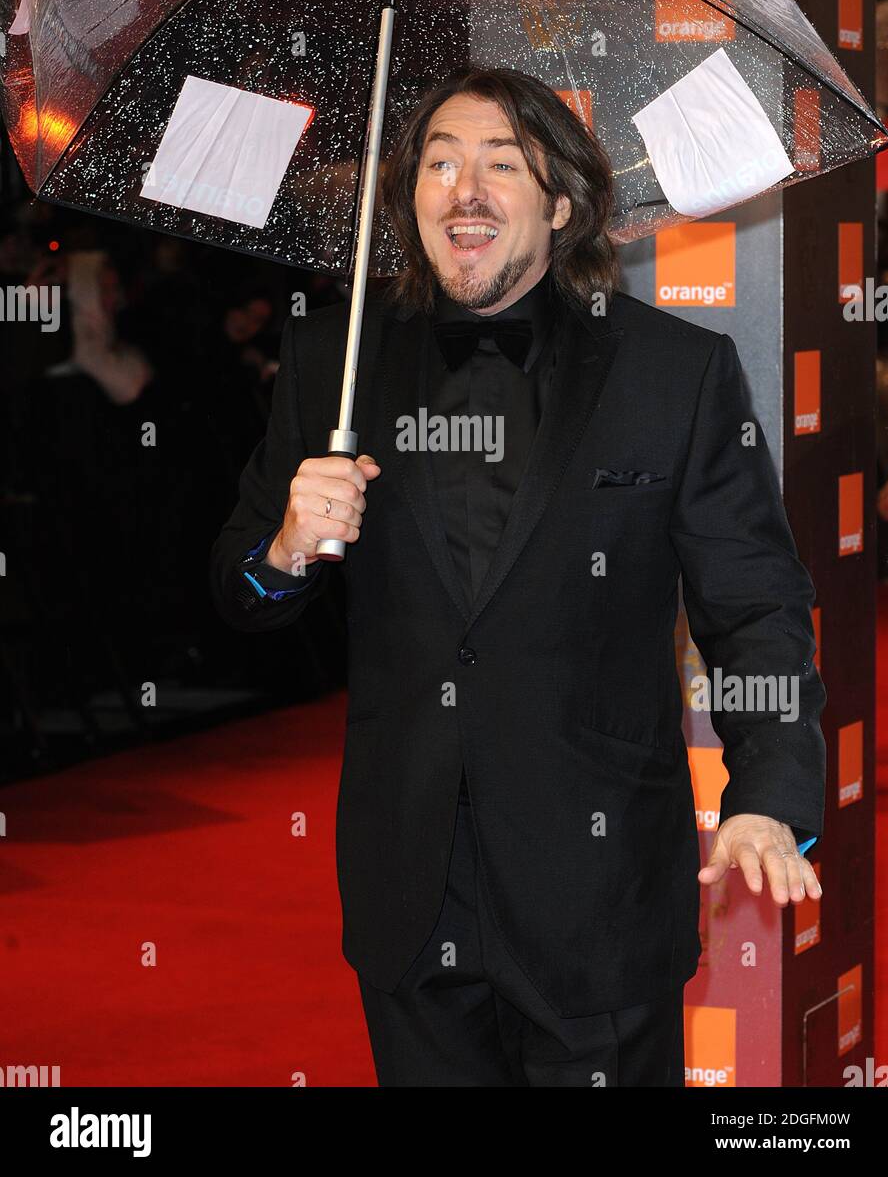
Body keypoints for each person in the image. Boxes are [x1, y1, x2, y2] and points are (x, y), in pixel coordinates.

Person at [210, 66, 826, 1087]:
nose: (466, 189)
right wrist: (282, 550)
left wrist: (767, 790)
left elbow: (757, 605)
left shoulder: (674, 374)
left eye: (502, 163)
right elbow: (240, 594)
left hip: (600, 890)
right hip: (409, 885)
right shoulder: (334, 363)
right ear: (409, 201)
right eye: (440, 163)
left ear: (564, 203)